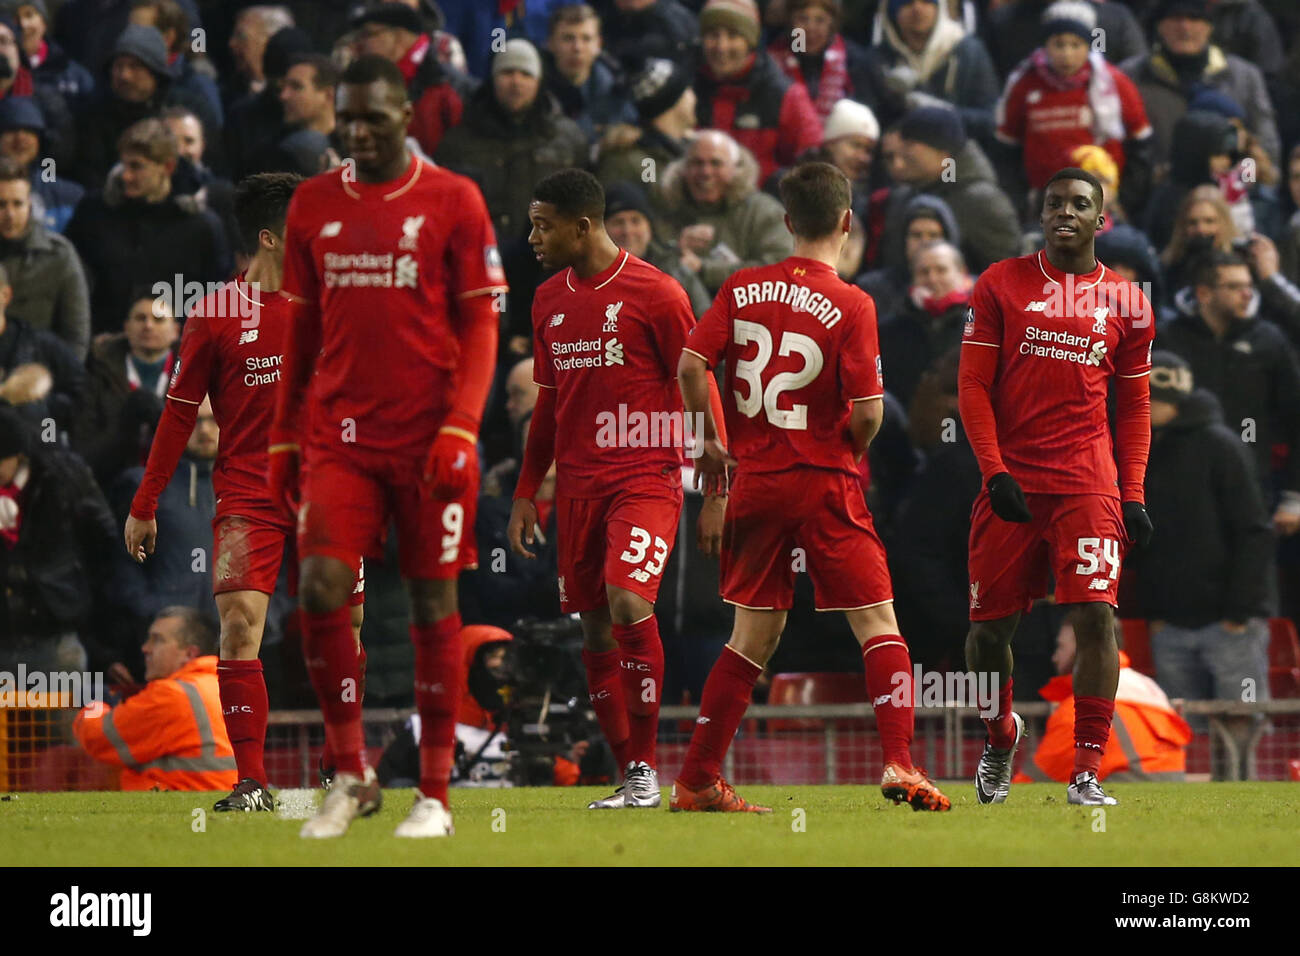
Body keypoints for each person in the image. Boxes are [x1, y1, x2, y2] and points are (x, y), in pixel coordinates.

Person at [270, 55, 506, 839]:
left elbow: (481, 324)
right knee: (320, 591)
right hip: (340, 437)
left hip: (432, 438)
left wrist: (463, 425)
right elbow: (299, 331)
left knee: (434, 605)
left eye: (374, 117)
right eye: (347, 119)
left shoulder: (454, 199)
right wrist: (281, 438)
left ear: (408, 115)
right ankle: (350, 772)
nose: (358, 132)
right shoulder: (310, 205)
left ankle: (433, 793)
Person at [670, 160, 950, 812]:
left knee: (751, 639)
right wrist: (845, 447)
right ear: (847, 223)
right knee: (878, 623)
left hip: (754, 481)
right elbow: (872, 412)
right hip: (823, 479)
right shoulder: (853, 302)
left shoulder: (741, 288)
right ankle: (901, 764)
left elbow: (690, 363)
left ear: (788, 221)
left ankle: (697, 779)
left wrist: (710, 440)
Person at [123, 172, 357, 812]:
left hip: (329, 490)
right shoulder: (216, 312)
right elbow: (178, 412)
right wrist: (145, 502)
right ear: (270, 236)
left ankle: (337, 771)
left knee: (345, 628)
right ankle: (251, 783)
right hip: (250, 491)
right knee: (239, 626)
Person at [508, 167, 728, 810]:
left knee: (629, 601)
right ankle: (633, 774)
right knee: (595, 629)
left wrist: (715, 483)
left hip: (646, 477)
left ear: (583, 226)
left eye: (543, 226)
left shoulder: (656, 293)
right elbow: (547, 405)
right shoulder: (548, 297)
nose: (533, 237)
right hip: (576, 487)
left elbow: (698, 378)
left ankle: (649, 768)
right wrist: (527, 490)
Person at [958, 166, 1155, 806]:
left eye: (1078, 204)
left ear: (1102, 220)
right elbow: (972, 388)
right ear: (1041, 216)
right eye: (1052, 204)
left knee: (1098, 615)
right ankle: (999, 736)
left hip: (1086, 481)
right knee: (989, 633)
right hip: (1013, 480)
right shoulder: (1000, 283)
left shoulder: (1127, 302)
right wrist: (994, 471)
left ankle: (1087, 771)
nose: (1063, 212)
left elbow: (1135, 408)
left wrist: (1134, 494)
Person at [1124, 352, 1272, 770]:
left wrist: (1239, 614)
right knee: (1178, 725)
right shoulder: (1145, 448)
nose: (1141, 408)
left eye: (1148, 399)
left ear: (1173, 398)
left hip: (1229, 624)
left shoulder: (1222, 447)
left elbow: (1253, 533)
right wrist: (1155, 612)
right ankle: (1188, 805)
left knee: (1241, 721)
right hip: (1171, 622)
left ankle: (1244, 802)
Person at [1155, 251, 1300, 533]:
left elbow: (1296, 416)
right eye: (1234, 287)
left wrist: (1294, 496)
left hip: (1252, 484)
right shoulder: (1167, 339)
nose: (1247, 294)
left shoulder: (1269, 342)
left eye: (1249, 285)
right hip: (1176, 486)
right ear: (1204, 293)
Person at [65, 118, 231, 335]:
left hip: (177, 351)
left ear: (168, 167)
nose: (126, 175)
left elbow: (215, 302)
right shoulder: (94, 214)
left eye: (137, 166)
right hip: (104, 343)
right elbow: (72, 285)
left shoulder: (202, 227)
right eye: (124, 165)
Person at [995, 2, 1152, 213]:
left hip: (1104, 203)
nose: (1067, 54)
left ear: (1088, 46)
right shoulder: (1024, 83)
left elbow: (1141, 147)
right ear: (1046, 45)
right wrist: (1020, 201)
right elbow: (1006, 152)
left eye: (1076, 45)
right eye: (1059, 44)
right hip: (1042, 204)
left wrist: (1123, 198)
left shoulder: (1113, 83)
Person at [0, 404, 115, 675]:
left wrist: (77, 591)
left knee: (62, 716)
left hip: (54, 635)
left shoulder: (60, 484)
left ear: (19, 455)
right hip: (4, 635)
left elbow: (102, 541)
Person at [73, 606, 239, 792]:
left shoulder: (171, 694)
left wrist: (95, 706)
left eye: (157, 640)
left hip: (186, 805)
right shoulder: (221, 685)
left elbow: (100, 739)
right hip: (220, 803)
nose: (145, 648)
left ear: (189, 654)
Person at [1013, 621, 1192, 783]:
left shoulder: (1081, 706)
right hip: (1172, 781)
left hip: (1124, 785)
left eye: (1061, 647)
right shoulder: (1147, 686)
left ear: (1086, 649)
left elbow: (1039, 778)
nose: (1055, 657)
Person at [1120, 0, 1279, 171]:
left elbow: (1265, 141)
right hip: (1153, 189)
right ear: (1159, 26)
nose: (1185, 27)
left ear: (1209, 26)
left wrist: (1249, 182)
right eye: (1175, 18)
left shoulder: (1244, 76)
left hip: (1231, 188)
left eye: (1194, 18)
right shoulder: (1132, 75)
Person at [650, 129, 793, 296]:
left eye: (716, 163)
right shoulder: (666, 208)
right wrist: (677, 251)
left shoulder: (763, 212)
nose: (705, 172)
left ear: (736, 169)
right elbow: (648, 269)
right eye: (697, 163)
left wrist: (706, 269)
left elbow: (780, 270)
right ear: (684, 169)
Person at [693, 0, 821, 185]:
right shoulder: (688, 88)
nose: (721, 47)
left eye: (733, 35)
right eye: (713, 35)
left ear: (750, 42)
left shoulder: (785, 96)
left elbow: (812, 163)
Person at [880, 106, 1020, 274]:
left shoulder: (979, 201)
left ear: (942, 152)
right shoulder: (908, 194)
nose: (902, 155)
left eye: (910, 145)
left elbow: (1006, 273)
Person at [866, 0, 999, 147]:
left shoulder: (969, 52)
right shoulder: (878, 61)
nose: (917, 8)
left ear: (939, 6)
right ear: (890, 11)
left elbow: (990, 120)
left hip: (958, 157)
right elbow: (870, 123)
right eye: (906, 3)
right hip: (900, 160)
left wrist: (941, 113)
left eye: (926, 1)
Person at [76, 291, 176, 485]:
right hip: (112, 482)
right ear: (126, 328)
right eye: (140, 318)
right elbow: (83, 451)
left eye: (158, 319)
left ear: (176, 331)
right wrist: (124, 431)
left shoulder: (198, 374)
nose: (148, 325)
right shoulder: (96, 375)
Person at [349, 2, 470, 159]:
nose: (358, 45)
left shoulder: (450, 87)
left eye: (367, 35)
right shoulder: (364, 78)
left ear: (398, 36)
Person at [0, 157, 88, 359]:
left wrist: (62, 383)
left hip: (41, 377)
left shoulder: (58, 255)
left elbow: (76, 335)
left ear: (30, 205)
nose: (10, 214)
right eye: (1, 204)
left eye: (18, 204)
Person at [879, 238, 972, 411]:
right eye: (924, 272)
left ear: (962, 274)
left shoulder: (983, 328)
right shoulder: (888, 332)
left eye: (941, 270)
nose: (932, 278)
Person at [0, 260, 83, 436]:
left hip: (36, 450)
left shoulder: (41, 345)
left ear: (5, 295)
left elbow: (83, 398)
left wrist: (36, 404)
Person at [603, 181, 710, 316]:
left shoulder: (674, 268)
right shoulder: (592, 273)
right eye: (618, 222)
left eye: (635, 221)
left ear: (649, 227)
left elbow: (705, 318)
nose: (627, 231)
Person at [594, 56, 695, 191]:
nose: (694, 96)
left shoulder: (690, 149)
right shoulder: (629, 163)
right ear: (674, 101)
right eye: (688, 89)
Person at [542, 3, 635, 141]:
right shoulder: (535, 90)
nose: (577, 48)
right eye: (568, 38)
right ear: (550, 43)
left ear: (599, 44)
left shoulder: (617, 90)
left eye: (586, 39)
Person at [0, 94, 83, 233]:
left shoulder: (68, 195)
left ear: (41, 140)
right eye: (11, 130)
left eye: (29, 130)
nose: (20, 138)